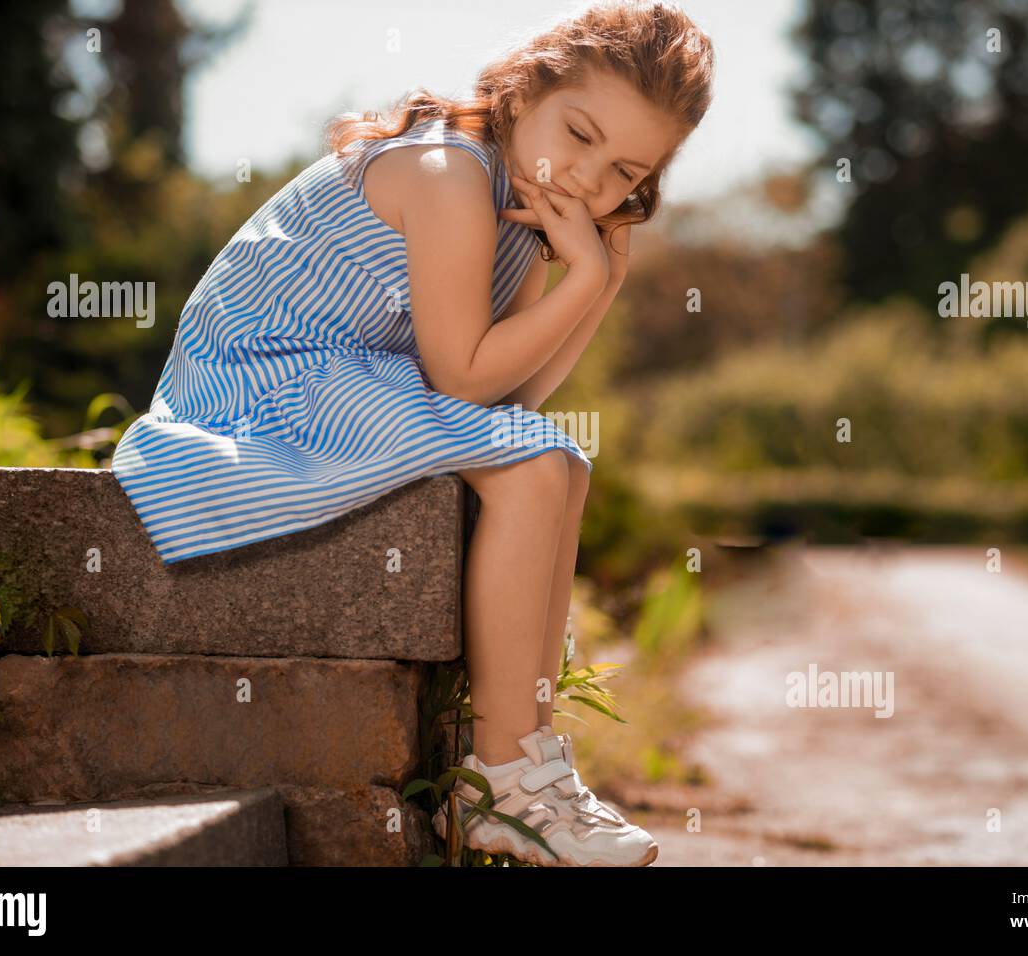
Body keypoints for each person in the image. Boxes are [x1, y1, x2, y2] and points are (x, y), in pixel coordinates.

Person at [111, 0, 714, 867]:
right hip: (265, 379)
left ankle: (529, 767)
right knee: (538, 468)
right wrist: (580, 275)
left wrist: (602, 278)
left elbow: (509, 396)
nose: (588, 180)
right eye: (578, 134)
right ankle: (502, 782)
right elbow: (467, 377)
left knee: (559, 464)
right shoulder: (451, 174)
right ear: (526, 86)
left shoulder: (519, 210)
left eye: (625, 172)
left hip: (349, 377)